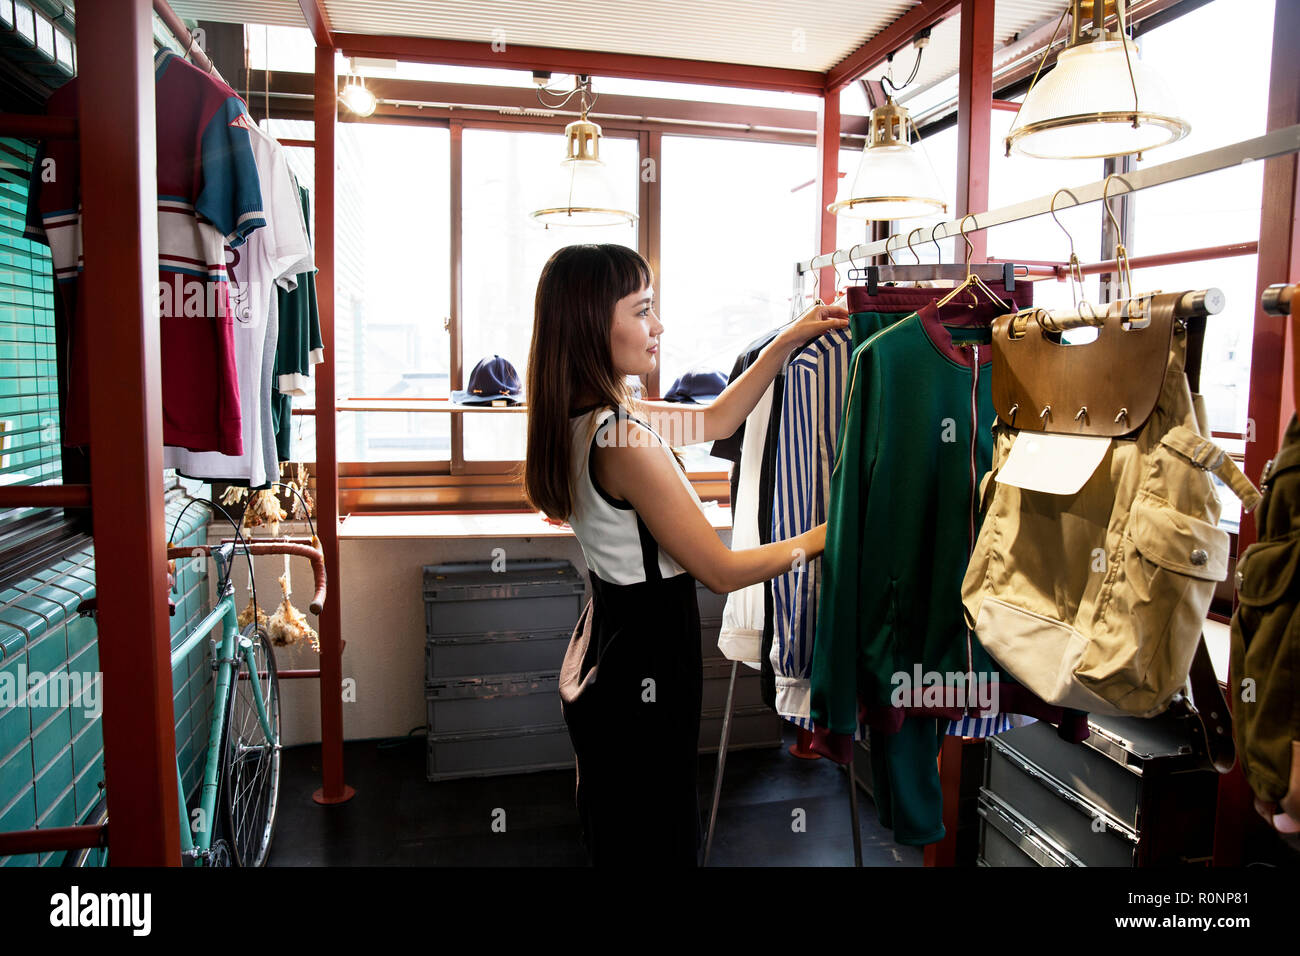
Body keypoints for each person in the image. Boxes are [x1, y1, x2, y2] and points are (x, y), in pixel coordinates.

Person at [522, 243, 849, 866]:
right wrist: (828, 534)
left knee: (625, 818)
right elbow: (721, 572)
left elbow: (718, 419)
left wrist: (787, 341)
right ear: (597, 324)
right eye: (643, 310)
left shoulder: (592, 417)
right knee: (657, 825)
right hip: (648, 644)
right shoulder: (624, 442)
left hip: (611, 633)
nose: (658, 326)